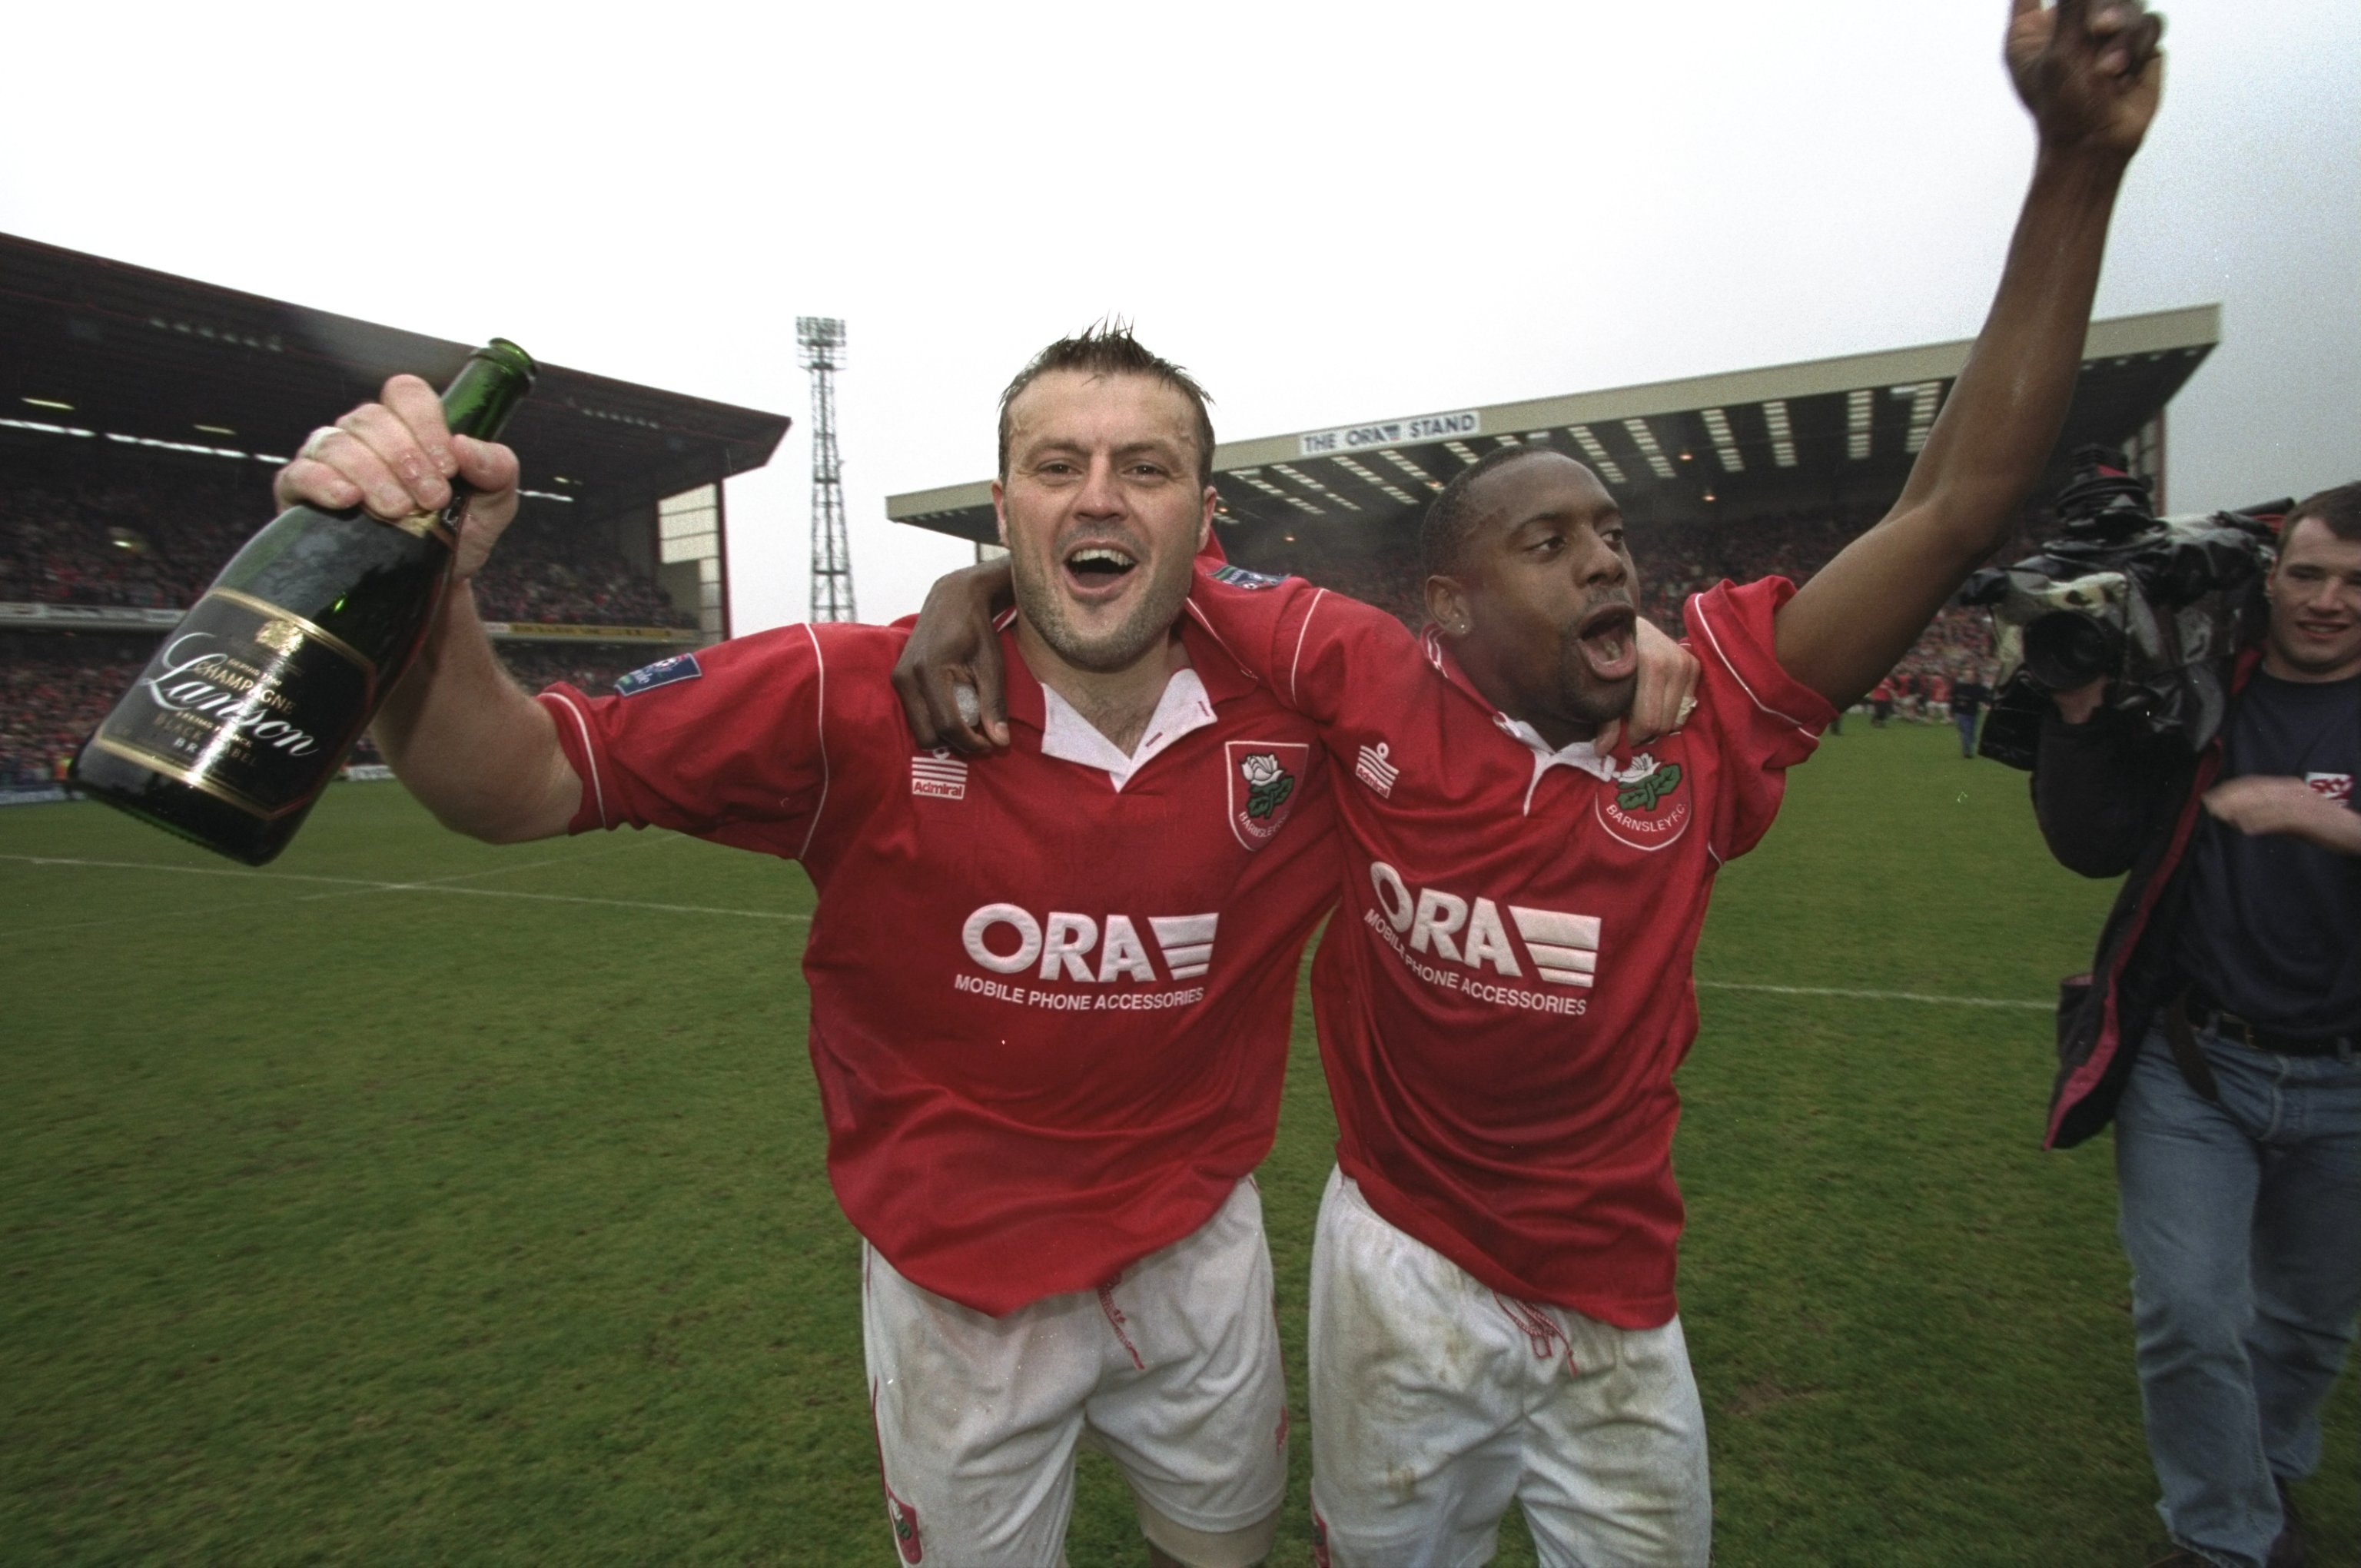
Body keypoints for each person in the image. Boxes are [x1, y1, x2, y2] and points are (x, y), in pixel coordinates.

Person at [902, 5, 2162, 1560]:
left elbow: (1959, 503)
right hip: (1401, 1268)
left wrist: (2075, 167)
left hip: (1617, 1298)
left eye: (1613, 532)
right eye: (1549, 540)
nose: (1606, 556)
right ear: (1445, 607)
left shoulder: (1705, 712)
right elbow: (1108, 556)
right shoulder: (1359, 679)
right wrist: (971, 594)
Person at [274, 332, 1389, 1568]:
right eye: (1056, 463)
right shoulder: (844, 693)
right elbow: (518, 783)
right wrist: (427, 585)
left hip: (1199, 1256)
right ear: (1004, 501)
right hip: (954, 1295)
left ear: (1203, 514)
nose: (1099, 495)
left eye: (1148, 467)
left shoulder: (1311, 719)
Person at [2031, 482, 2361, 1568]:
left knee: (2307, 1328)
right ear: (2270, 578)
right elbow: (2095, 843)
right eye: (2307, 575)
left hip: (2349, 1081)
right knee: (2189, 1312)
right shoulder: (2205, 691)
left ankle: (2260, 1480)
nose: (2328, 601)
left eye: (2355, 583)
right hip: (2196, 1060)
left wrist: (2331, 822)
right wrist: (2079, 706)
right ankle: (2224, 1539)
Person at [1952, 663, 1995, 757]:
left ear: (1974, 677)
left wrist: (1987, 704)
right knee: (1965, 731)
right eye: (1965, 675)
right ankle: (1967, 751)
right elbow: (1954, 698)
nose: (1966, 677)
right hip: (1960, 713)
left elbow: (1986, 697)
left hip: (1972, 713)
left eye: (1969, 675)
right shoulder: (1959, 686)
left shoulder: (1979, 688)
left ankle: (1967, 749)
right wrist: (1953, 710)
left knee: (1970, 733)